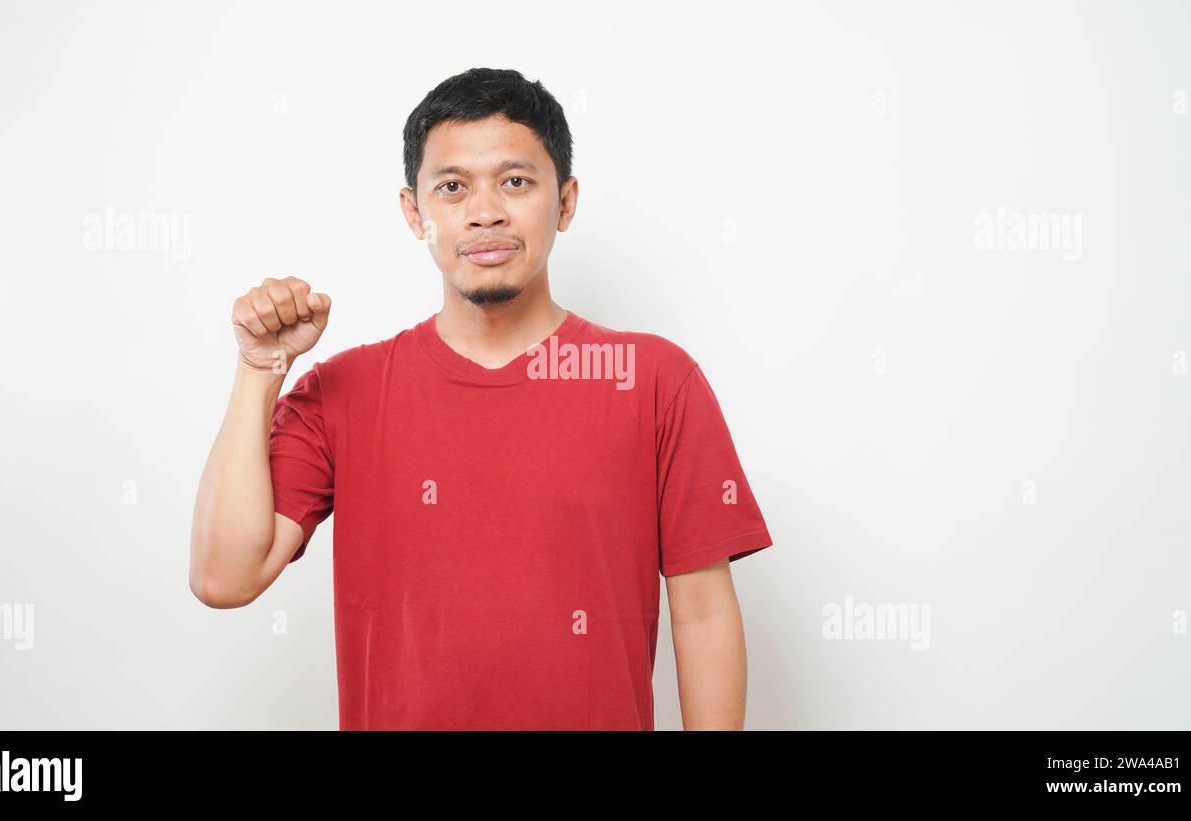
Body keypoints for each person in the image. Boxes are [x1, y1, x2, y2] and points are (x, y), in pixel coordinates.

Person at [190, 67, 773, 730]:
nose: (485, 210)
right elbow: (223, 577)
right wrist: (259, 370)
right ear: (416, 211)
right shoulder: (343, 392)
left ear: (567, 201)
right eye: (453, 186)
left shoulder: (655, 380)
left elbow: (702, 612)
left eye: (516, 181)